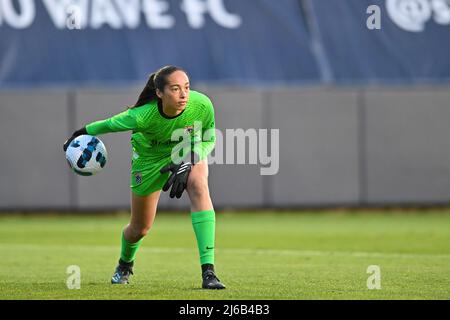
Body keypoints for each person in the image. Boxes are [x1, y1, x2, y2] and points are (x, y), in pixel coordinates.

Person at [63, 66, 225, 289]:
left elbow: (209, 138)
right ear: (159, 92)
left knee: (198, 184)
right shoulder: (141, 116)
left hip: (186, 153)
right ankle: (124, 264)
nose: (184, 94)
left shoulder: (201, 104)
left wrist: (191, 158)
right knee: (140, 228)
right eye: (175, 89)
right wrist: (79, 134)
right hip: (148, 163)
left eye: (186, 87)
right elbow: (109, 124)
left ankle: (209, 272)